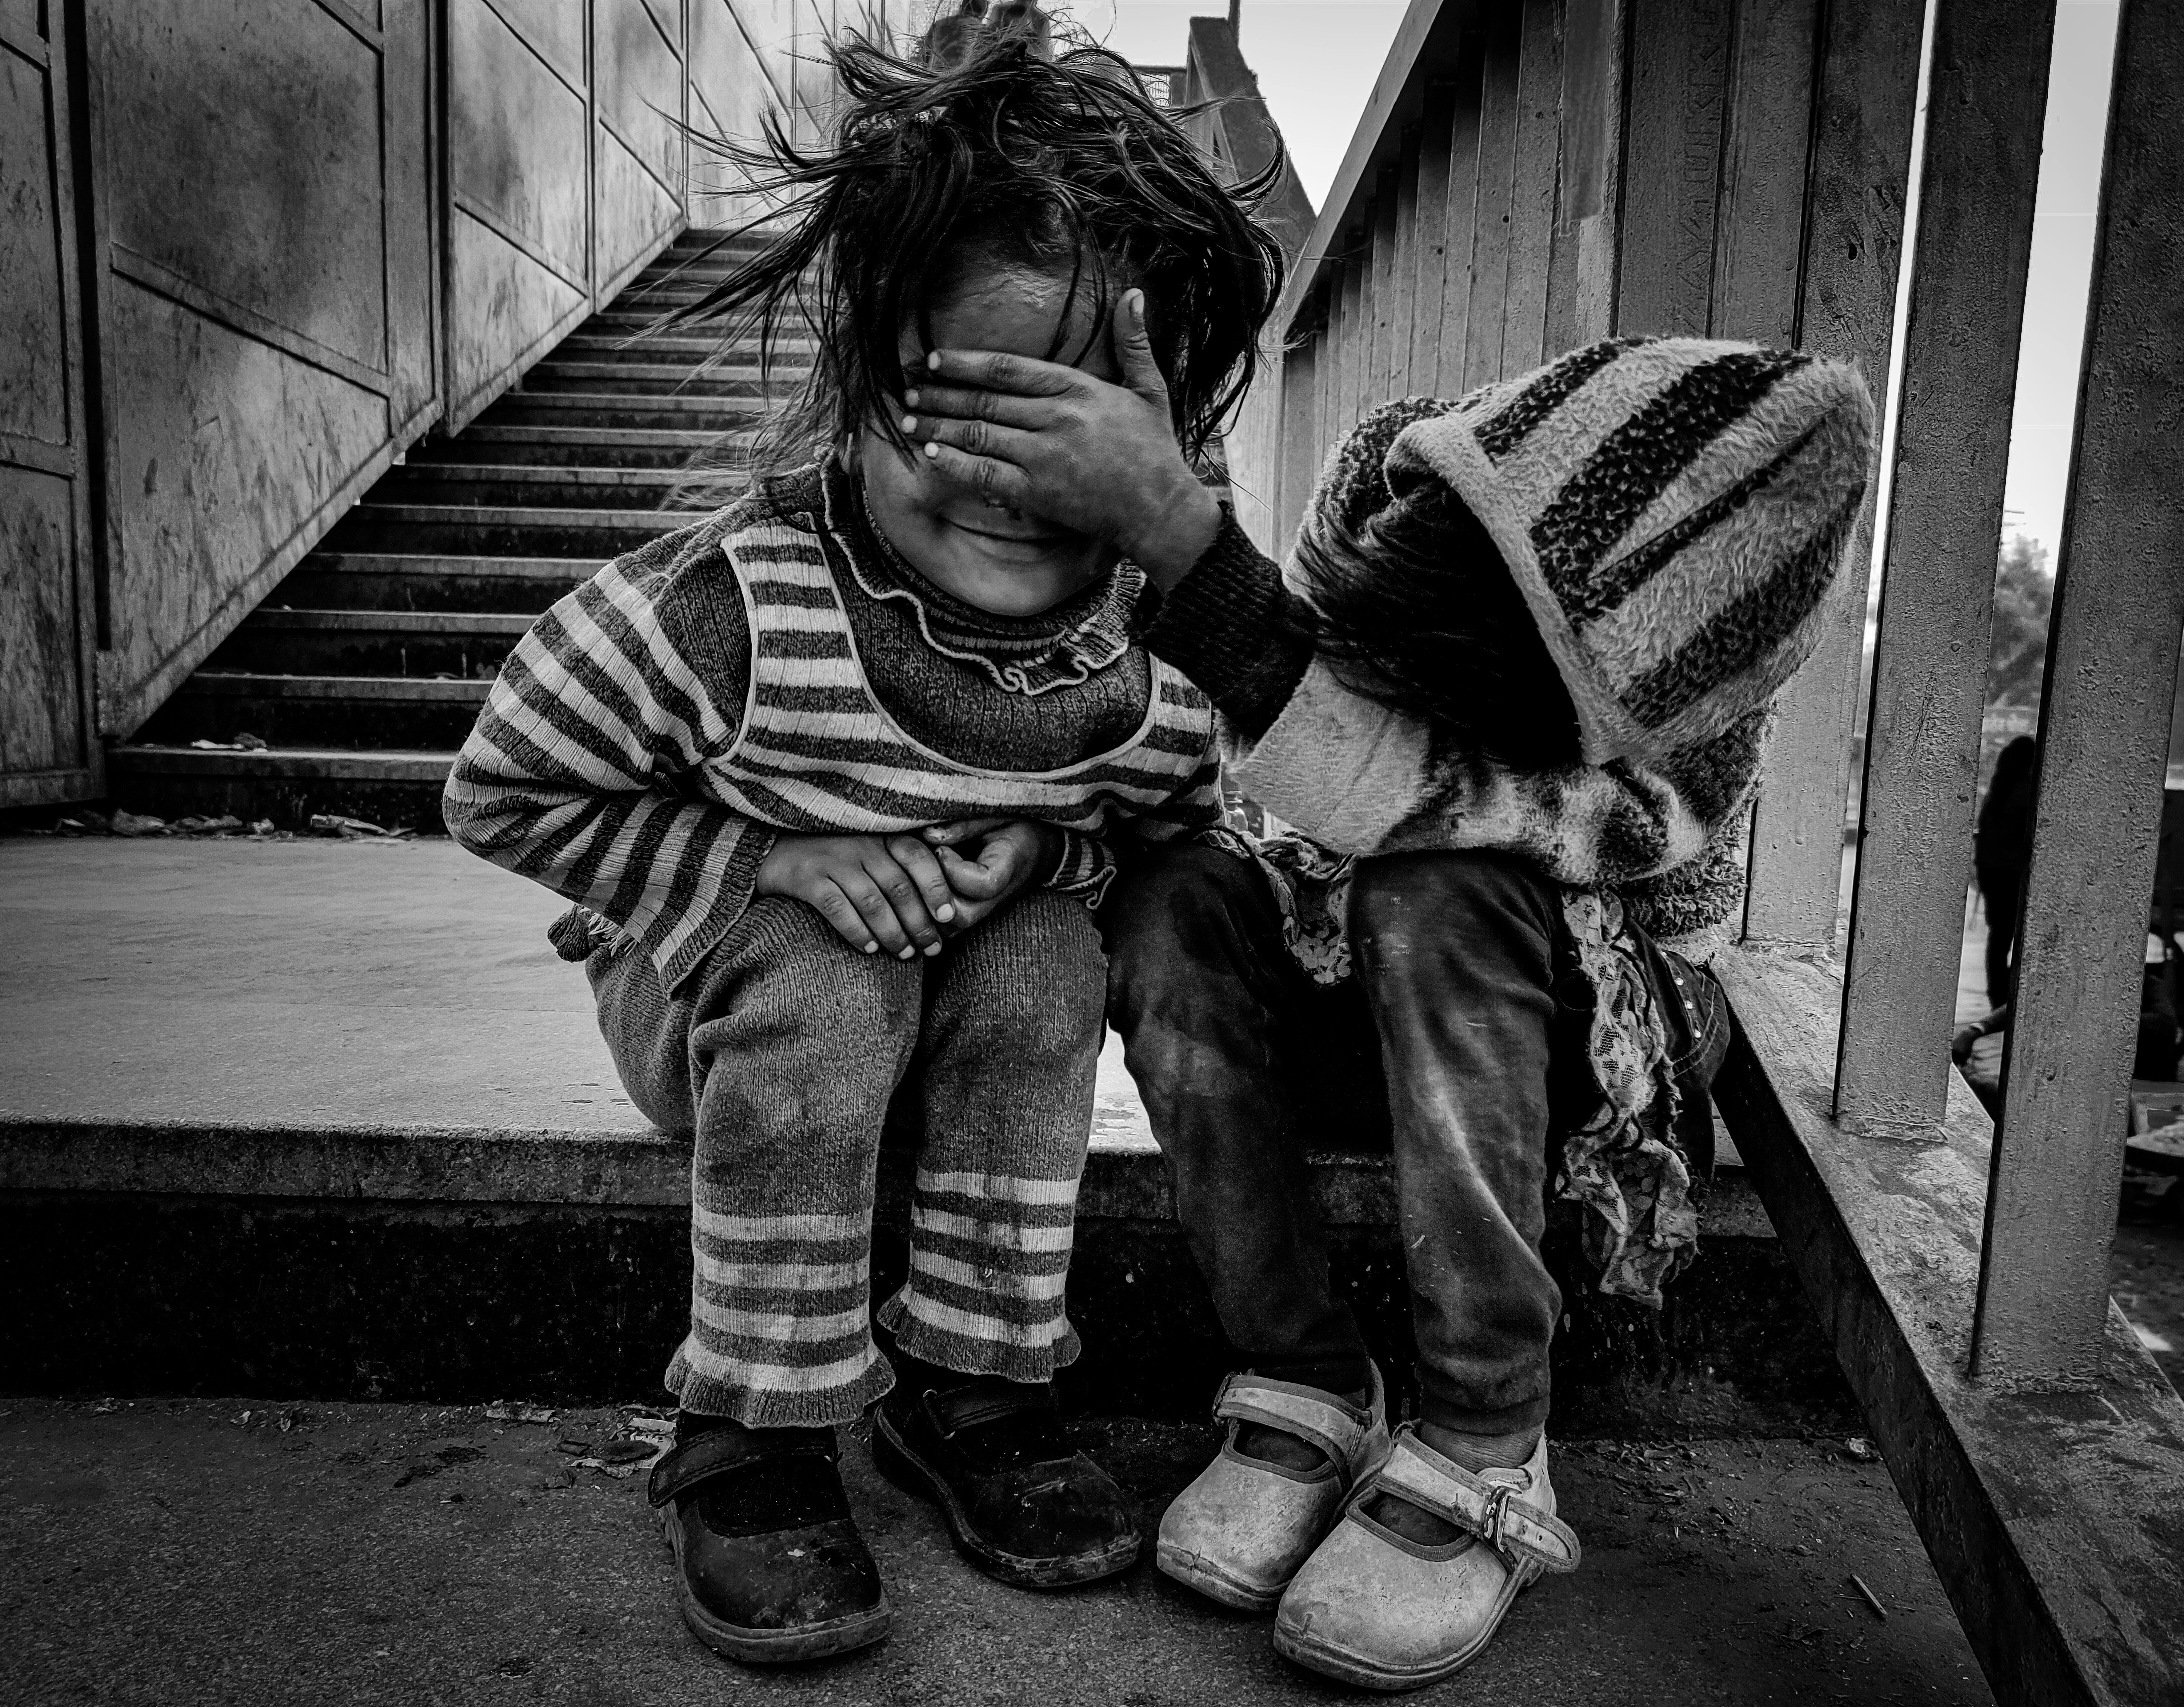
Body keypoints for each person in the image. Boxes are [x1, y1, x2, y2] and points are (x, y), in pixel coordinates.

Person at [442, 26, 1281, 1664]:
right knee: (829, 981)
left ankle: (972, 1380)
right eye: (968, 411)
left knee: (1047, 958)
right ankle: (752, 1429)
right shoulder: (722, 610)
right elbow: (502, 787)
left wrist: (1037, 867)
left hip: (963, 1005)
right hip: (739, 999)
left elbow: (1164, 842)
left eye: (1081, 441)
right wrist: (766, 867)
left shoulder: (1153, 662)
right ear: (865, 366)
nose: (1011, 487)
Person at [902, 332, 1874, 1685]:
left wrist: (1185, 533)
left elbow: (1402, 795)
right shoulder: (1391, 479)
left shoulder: (1702, 667)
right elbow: (1266, 765)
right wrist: (1159, 526)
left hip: (1566, 1036)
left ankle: (1486, 1425)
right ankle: (1307, 1374)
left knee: (1442, 877)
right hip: (1354, 980)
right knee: (1175, 898)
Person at [1975, 735, 2036, 1009]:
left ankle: (1997, 998)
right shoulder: (2026, 793)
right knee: (2020, 936)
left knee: (1998, 938)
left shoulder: (1997, 791)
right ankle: (2009, 999)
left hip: (1991, 872)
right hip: (2013, 874)